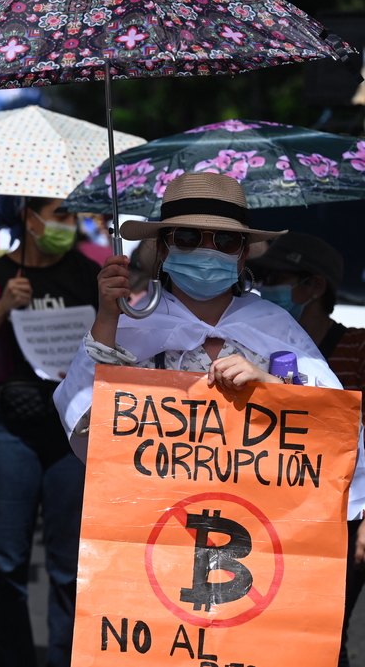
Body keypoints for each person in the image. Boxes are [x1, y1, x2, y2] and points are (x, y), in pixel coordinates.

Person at [54, 171, 365, 517]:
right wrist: (108, 317)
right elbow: (85, 422)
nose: (206, 250)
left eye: (225, 241)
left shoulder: (276, 328)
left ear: (243, 255)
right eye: (188, 237)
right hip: (154, 524)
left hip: (262, 525)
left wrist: (272, 388)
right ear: (163, 248)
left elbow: (335, 431)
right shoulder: (128, 327)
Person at [0, 195, 99, 667]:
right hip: (11, 435)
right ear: (28, 217)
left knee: (70, 566)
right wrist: (4, 304)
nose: (71, 224)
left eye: (75, 215)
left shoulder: (89, 275)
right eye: (61, 215)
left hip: (74, 436)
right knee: (5, 564)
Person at [247, 232, 365, 667]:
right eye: (256, 276)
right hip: (271, 512)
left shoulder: (358, 349)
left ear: (314, 287)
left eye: (274, 277)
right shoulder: (253, 345)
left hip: (339, 515)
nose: (262, 288)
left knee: (323, 633)